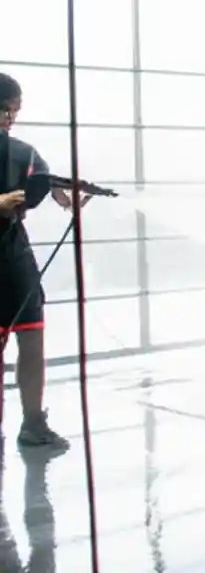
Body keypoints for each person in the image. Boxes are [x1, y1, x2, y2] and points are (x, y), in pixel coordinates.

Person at [0, 72, 88, 450]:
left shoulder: (22, 151)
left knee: (32, 337)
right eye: (5, 109)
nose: (10, 117)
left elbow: (45, 181)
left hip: (14, 255)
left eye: (15, 110)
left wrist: (67, 198)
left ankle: (33, 423)